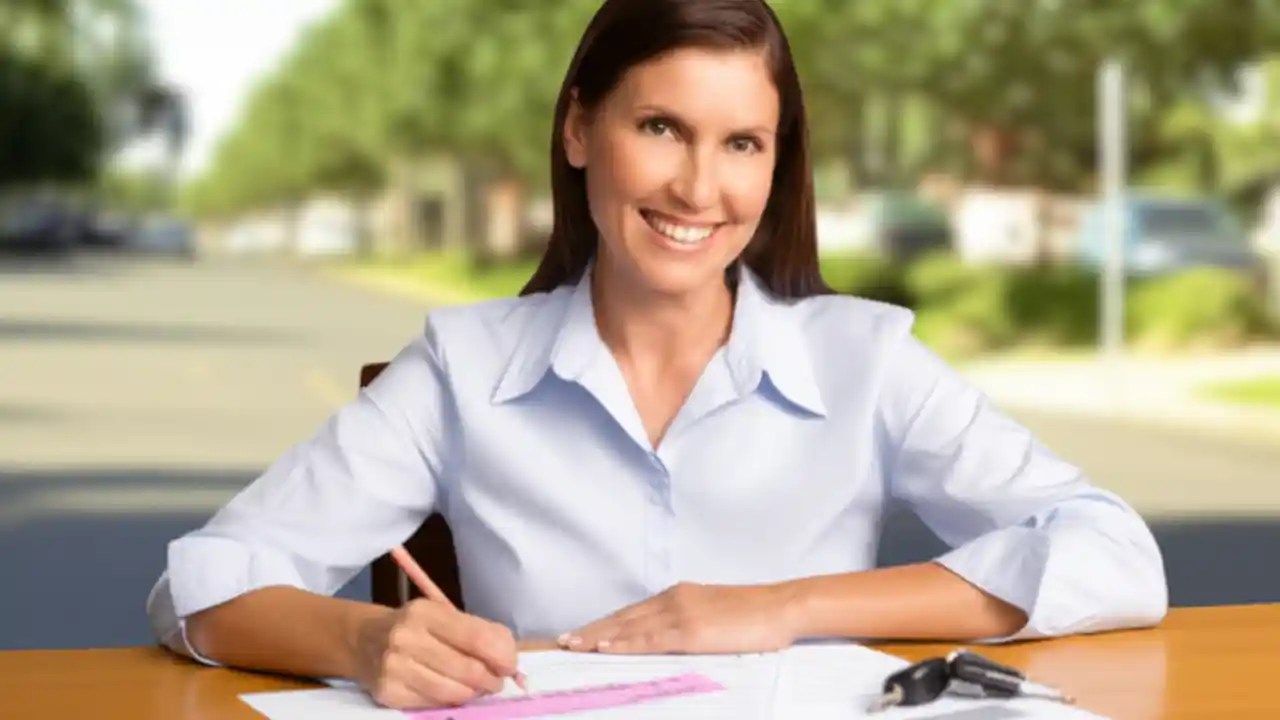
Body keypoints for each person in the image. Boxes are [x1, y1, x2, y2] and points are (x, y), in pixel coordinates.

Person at [146, 0, 1167, 710]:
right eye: (659, 128)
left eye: (741, 144)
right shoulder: (463, 370)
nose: (697, 189)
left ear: (777, 163)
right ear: (580, 128)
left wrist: (777, 610)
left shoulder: (865, 360)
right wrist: (365, 642)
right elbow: (201, 586)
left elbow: (1110, 554)